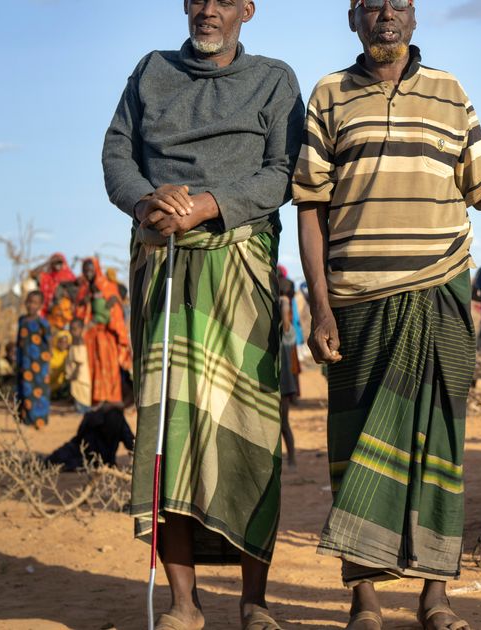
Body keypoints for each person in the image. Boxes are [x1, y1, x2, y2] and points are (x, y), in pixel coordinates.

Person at [293, 2, 481, 627]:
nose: (386, 16)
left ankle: (435, 596)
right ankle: (365, 600)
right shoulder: (328, 94)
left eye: (399, 5)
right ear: (353, 19)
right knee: (355, 445)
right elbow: (310, 205)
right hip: (357, 304)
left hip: (440, 297)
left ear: (414, 18)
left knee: (440, 445)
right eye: (372, 6)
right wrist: (319, 305)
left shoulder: (450, 93)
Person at [101, 0, 304, 627]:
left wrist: (212, 203)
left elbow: (282, 173)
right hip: (162, 265)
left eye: (222, 0)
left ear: (247, 9)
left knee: (249, 431)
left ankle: (254, 603)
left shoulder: (275, 79)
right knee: (170, 432)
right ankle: (183, 604)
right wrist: (145, 201)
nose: (207, 9)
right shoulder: (150, 71)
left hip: (237, 264)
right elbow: (116, 157)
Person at [76, 258, 130, 410]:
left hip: (107, 334)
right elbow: (80, 312)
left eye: (90, 270)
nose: (88, 273)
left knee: (109, 366)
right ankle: (96, 399)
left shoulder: (106, 287)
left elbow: (114, 311)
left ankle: (111, 399)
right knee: (93, 367)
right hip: (91, 336)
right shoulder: (84, 289)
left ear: (96, 269)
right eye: (85, 270)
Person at [15, 291, 51, 429]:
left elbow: (48, 344)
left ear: (41, 305)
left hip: (40, 365)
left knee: (40, 391)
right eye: (29, 302)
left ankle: (40, 421)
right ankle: (25, 421)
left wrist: (47, 365)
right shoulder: (22, 320)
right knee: (24, 391)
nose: (31, 305)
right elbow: (19, 341)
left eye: (35, 303)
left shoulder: (43, 323)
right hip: (23, 363)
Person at [277, 273, 299, 468]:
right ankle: (288, 459)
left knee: (283, 422)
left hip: (282, 378)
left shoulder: (286, 329)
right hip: (278, 376)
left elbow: (286, 325)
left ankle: (291, 458)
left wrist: (283, 302)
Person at [31, 254, 77, 320]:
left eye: (59, 262)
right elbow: (33, 274)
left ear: (63, 262)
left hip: (64, 314)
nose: (57, 264)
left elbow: (75, 295)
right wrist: (47, 262)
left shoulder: (69, 276)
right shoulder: (47, 277)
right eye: (55, 262)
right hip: (48, 313)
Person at [66, 319, 93, 416]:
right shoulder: (74, 342)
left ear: (81, 329)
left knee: (82, 397)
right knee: (78, 395)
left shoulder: (79, 342)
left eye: (75, 329)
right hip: (77, 376)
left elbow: (79, 362)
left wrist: (74, 374)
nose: (72, 332)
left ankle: (83, 412)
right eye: (71, 329)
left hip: (80, 376)